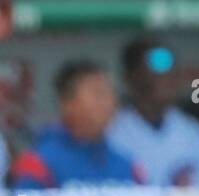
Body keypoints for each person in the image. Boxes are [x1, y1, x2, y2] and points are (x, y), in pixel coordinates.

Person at [107, 38, 199, 188]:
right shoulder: (110, 133)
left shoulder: (194, 133)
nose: (168, 78)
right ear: (130, 77)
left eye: (172, 71)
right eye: (157, 70)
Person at [10, 62, 140, 188]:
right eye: (98, 93)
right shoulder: (38, 164)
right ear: (67, 103)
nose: (109, 102)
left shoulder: (128, 166)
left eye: (111, 93)